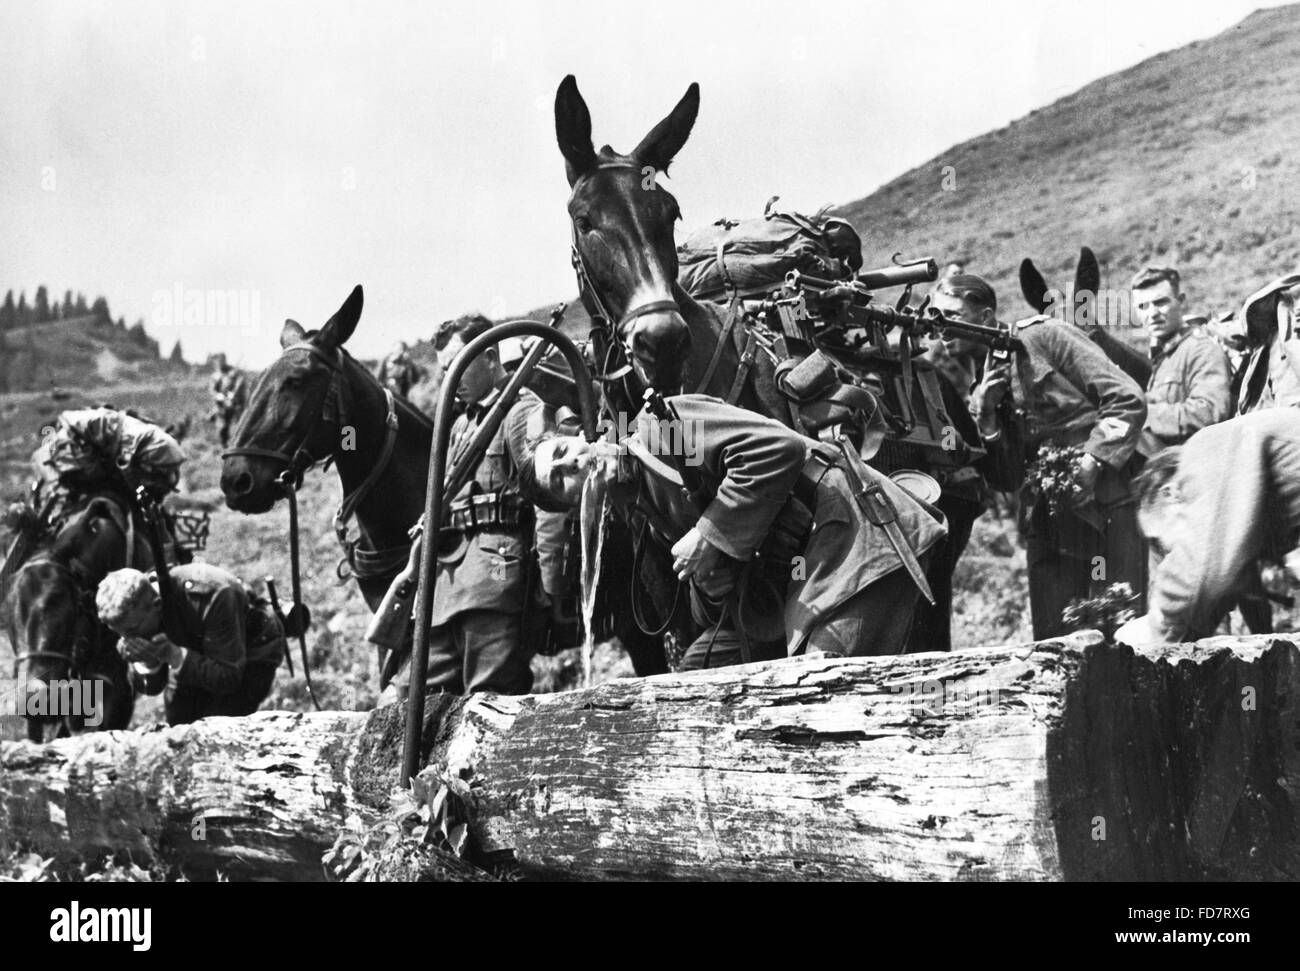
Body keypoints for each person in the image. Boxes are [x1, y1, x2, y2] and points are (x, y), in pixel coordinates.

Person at [518, 394, 947, 660]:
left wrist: (708, 534)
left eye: (561, 450)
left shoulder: (658, 431)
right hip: (802, 572)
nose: (571, 462)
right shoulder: (641, 511)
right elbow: (713, 606)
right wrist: (711, 580)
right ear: (577, 505)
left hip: (851, 535)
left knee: (823, 688)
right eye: (560, 478)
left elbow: (781, 447)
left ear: (573, 438)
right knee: (696, 679)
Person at [932, 274, 1149, 639]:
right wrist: (985, 417)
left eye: (950, 316)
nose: (940, 329)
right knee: (1054, 640)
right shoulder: (982, 386)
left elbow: (1126, 398)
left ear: (985, 318)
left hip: (1108, 502)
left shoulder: (1044, 337)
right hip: (1047, 519)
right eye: (934, 318)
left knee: (1124, 632)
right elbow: (1007, 479)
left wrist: (1092, 461)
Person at [378, 314, 554, 700]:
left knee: (488, 701)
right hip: (446, 585)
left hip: (495, 580)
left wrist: (549, 579)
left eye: (460, 366)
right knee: (399, 700)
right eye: (445, 371)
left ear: (491, 358)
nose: (451, 381)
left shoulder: (520, 413)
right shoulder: (458, 426)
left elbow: (549, 496)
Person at [1115, 410, 1300, 646]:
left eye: (1162, 541)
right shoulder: (1245, 509)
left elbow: (1202, 565)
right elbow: (1224, 586)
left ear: (1170, 494)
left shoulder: (1206, 447)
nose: (1169, 554)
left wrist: (1154, 632)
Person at [95, 563, 284, 724]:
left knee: (222, 727)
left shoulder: (214, 594)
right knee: (180, 729)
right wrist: (149, 662)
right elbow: (150, 688)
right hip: (190, 646)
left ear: (157, 605)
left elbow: (229, 677)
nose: (128, 639)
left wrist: (173, 655)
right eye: (120, 634)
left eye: (132, 631)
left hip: (251, 649)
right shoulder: (136, 617)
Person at [1129, 265, 1232, 455]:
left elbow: (1208, 414)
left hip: (1197, 462)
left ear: (1181, 301)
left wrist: (1144, 414)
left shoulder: (1202, 350)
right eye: (1143, 306)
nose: (1152, 313)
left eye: (1160, 302)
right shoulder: (1164, 356)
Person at [209, 353, 249, 448]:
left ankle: (237, 446)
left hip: (235, 405)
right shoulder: (215, 376)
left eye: (222, 360)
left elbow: (240, 383)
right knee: (222, 428)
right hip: (221, 406)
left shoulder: (233, 372)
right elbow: (212, 391)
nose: (221, 362)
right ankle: (224, 447)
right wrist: (220, 396)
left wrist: (233, 394)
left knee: (238, 426)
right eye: (219, 360)